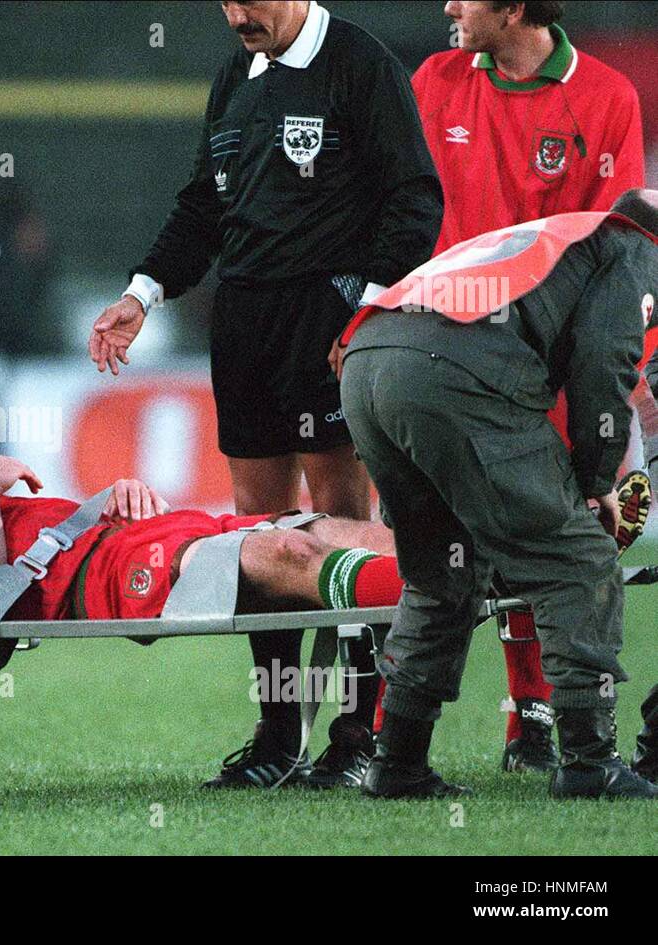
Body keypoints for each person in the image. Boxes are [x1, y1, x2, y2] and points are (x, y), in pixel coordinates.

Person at [86, 0, 443, 789]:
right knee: (258, 535)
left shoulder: (360, 65)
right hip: (244, 322)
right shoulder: (234, 79)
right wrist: (142, 294)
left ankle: (358, 732)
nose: (237, 13)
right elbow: (202, 208)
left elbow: (415, 196)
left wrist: (370, 308)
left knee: (348, 532)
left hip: (329, 316)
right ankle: (280, 733)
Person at [0, 458, 411, 795]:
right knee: (292, 555)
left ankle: (458, 572)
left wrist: (118, 494)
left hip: (141, 531)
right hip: (108, 573)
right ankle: (445, 592)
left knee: (351, 532)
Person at [335, 189, 658, 799]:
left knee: (441, 571)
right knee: (578, 561)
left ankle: (396, 761)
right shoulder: (636, 251)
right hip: (446, 371)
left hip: (368, 361)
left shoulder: (561, 232)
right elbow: (603, 361)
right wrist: (595, 484)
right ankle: (590, 762)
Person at [406, 0, 647, 773]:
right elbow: (400, 214)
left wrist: (613, 379)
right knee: (437, 550)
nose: (448, 7)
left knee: (549, 542)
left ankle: (530, 725)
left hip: (550, 357)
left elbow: (615, 248)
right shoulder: (433, 81)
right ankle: (387, 742)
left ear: (513, 7)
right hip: (439, 353)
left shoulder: (605, 97)